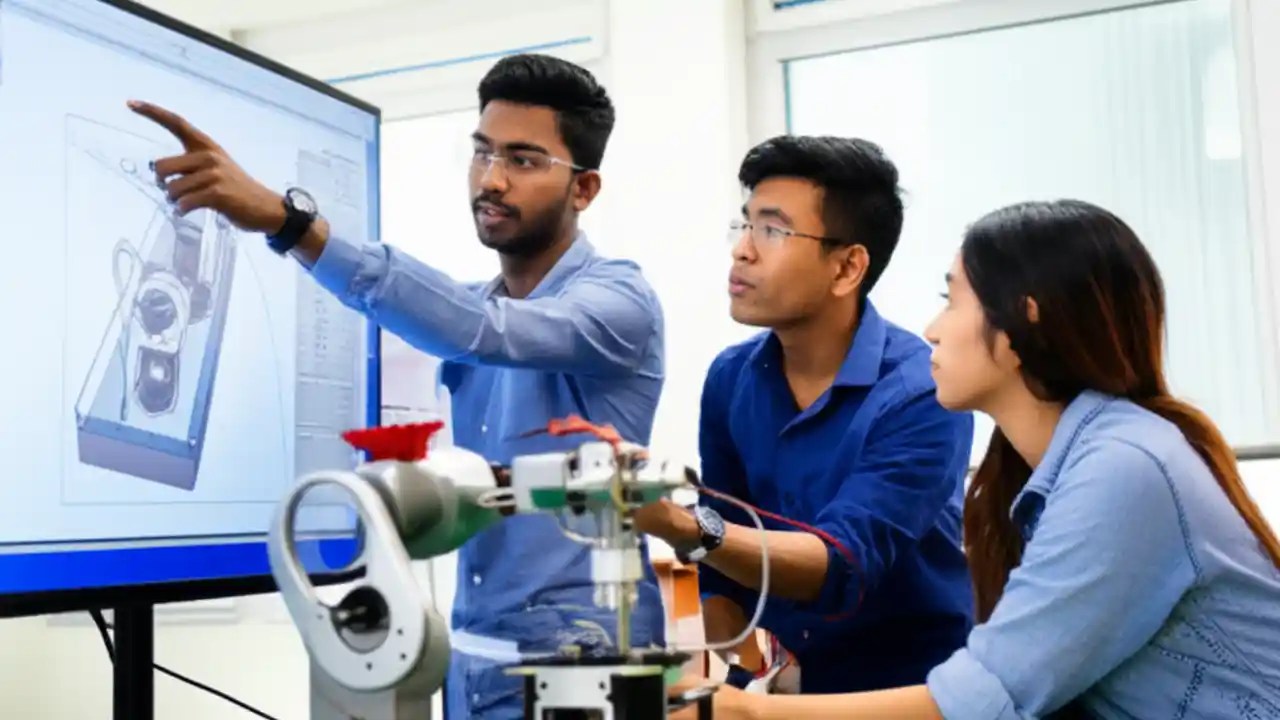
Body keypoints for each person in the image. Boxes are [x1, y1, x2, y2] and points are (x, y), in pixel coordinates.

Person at [128, 53, 667, 720]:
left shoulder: (618, 302)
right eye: (481, 153)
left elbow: (479, 330)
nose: (490, 180)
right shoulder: (475, 312)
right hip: (468, 665)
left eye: (523, 160)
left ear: (583, 189)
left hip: (584, 670)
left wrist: (288, 221)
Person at [681, 199, 1280, 719]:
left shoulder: (1124, 467)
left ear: (1025, 318)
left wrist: (749, 712)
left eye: (952, 299)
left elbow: (987, 700)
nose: (933, 329)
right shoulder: (1045, 467)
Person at [637, 135, 975, 694]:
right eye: (744, 226)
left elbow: (842, 565)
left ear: (847, 267)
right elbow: (723, 559)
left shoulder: (921, 393)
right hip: (778, 691)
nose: (742, 250)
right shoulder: (731, 378)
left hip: (905, 695)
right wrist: (746, 661)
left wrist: (678, 525)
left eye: (772, 230)